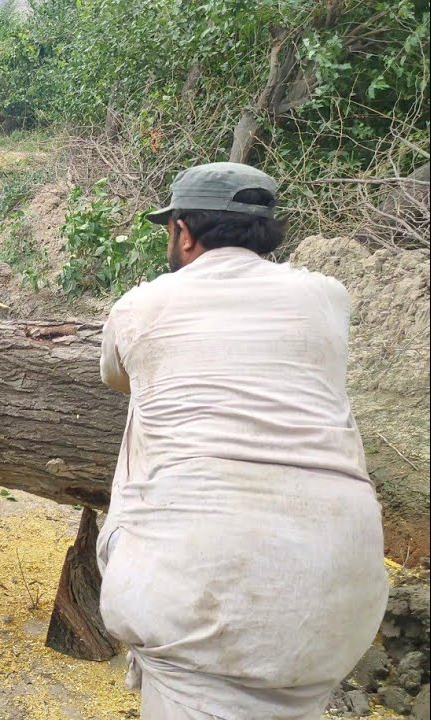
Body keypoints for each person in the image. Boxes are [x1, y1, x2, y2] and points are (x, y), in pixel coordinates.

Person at [96, 161, 390, 719]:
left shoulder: (140, 305)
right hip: (339, 591)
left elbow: (117, 376)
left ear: (182, 232)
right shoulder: (329, 298)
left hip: (199, 591)